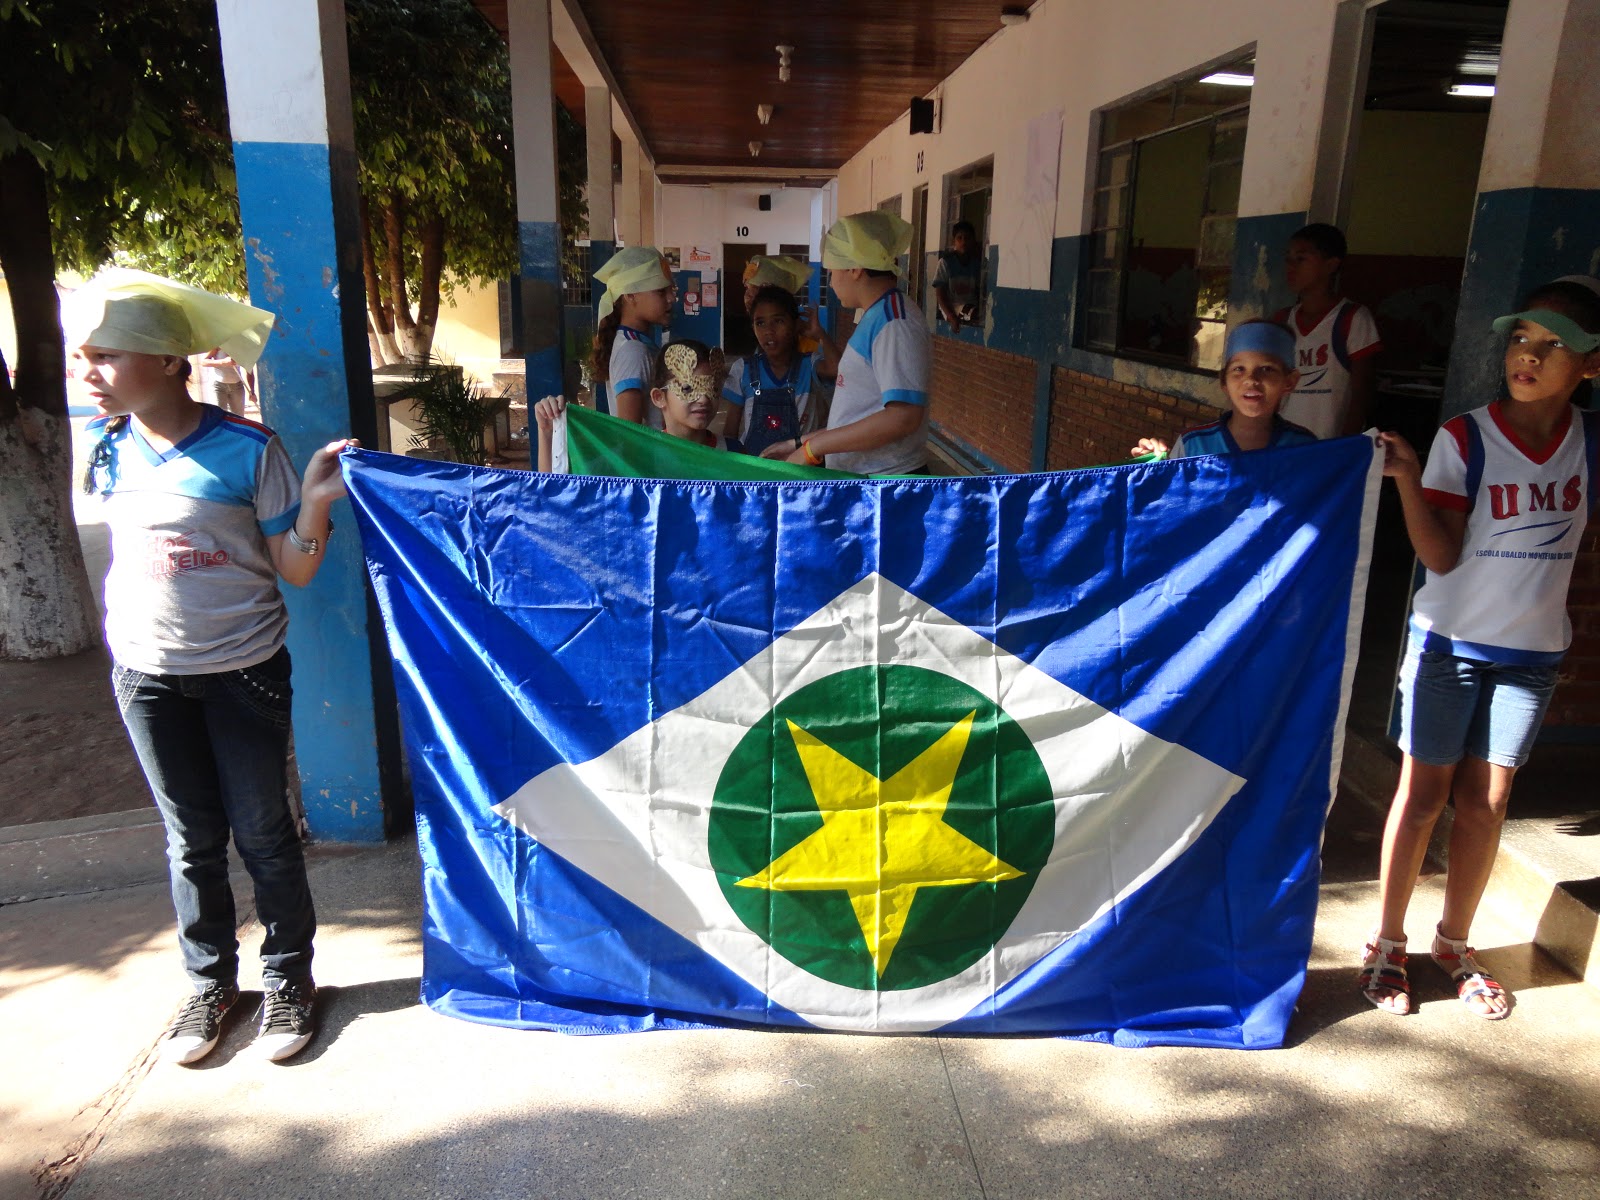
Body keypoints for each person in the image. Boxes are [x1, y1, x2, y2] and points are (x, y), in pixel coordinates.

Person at [68, 274, 356, 1065]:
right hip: (144, 676)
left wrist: (315, 505)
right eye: (83, 357)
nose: (88, 372)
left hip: (241, 673)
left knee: (263, 833)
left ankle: (288, 979)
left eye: (105, 356)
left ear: (168, 360)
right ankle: (210, 985)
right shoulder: (107, 447)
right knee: (190, 840)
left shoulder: (248, 449)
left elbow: (294, 570)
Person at [1360, 277, 1600, 1021]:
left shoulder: (1591, 441)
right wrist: (1407, 480)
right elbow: (1439, 556)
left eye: (1553, 344)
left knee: (1488, 802)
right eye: (1521, 338)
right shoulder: (1466, 437)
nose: (1528, 355)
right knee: (1422, 797)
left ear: (1591, 363)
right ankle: (1387, 943)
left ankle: (1454, 945)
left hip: (1532, 654)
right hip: (1449, 646)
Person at [766, 211, 931, 475]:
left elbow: (903, 417)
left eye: (832, 272)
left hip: (887, 483)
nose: (831, 283)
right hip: (865, 478)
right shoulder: (877, 315)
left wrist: (812, 450)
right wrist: (799, 443)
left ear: (854, 268)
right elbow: (858, 416)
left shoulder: (894, 322)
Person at [537, 339, 742, 471]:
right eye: (688, 388)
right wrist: (547, 433)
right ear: (659, 397)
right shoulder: (637, 456)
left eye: (712, 388)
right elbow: (559, 493)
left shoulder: (735, 455)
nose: (704, 399)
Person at [1129, 320, 1316, 458]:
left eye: (1267, 369)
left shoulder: (1306, 449)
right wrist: (1155, 466)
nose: (1251, 380)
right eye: (1239, 369)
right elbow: (1172, 494)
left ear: (1289, 382)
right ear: (1224, 381)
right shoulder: (1193, 445)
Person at [1273, 223, 1381, 439]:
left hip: (1328, 443)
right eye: (1288, 259)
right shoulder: (1282, 320)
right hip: (1283, 443)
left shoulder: (1353, 318)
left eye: (1301, 259)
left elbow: (1361, 395)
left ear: (1331, 265)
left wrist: (1344, 445)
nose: (1291, 267)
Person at [720, 285, 840, 458]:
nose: (769, 331)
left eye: (778, 321)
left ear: (796, 324)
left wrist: (820, 335)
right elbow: (730, 432)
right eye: (760, 323)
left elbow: (837, 369)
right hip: (756, 466)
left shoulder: (808, 364)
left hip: (800, 467)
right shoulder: (743, 369)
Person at [590, 247, 675, 428]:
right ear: (630, 295)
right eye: (661, 291)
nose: (671, 298)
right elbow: (629, 433)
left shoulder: (635, 343)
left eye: (671, 290)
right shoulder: (633, 351)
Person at [932, 220, 983, 334]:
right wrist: (951, 316)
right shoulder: (945, 262)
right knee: (973, 314)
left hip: (971, 305)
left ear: (973, 240)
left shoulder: (976, 264)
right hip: (952, 307)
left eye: (967, 238)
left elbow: (979, 290)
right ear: (953, 241)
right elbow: (940, 294)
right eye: (959, 238)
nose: (963, 241)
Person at [198, 346, 255, 416]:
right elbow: (204, 362)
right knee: (218, 416)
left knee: (238, 417)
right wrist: (222, 362)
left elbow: (249, 371)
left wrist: (252, 392)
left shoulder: (242, 347)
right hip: (218, 386)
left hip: (237, 386)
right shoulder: (219, 345)